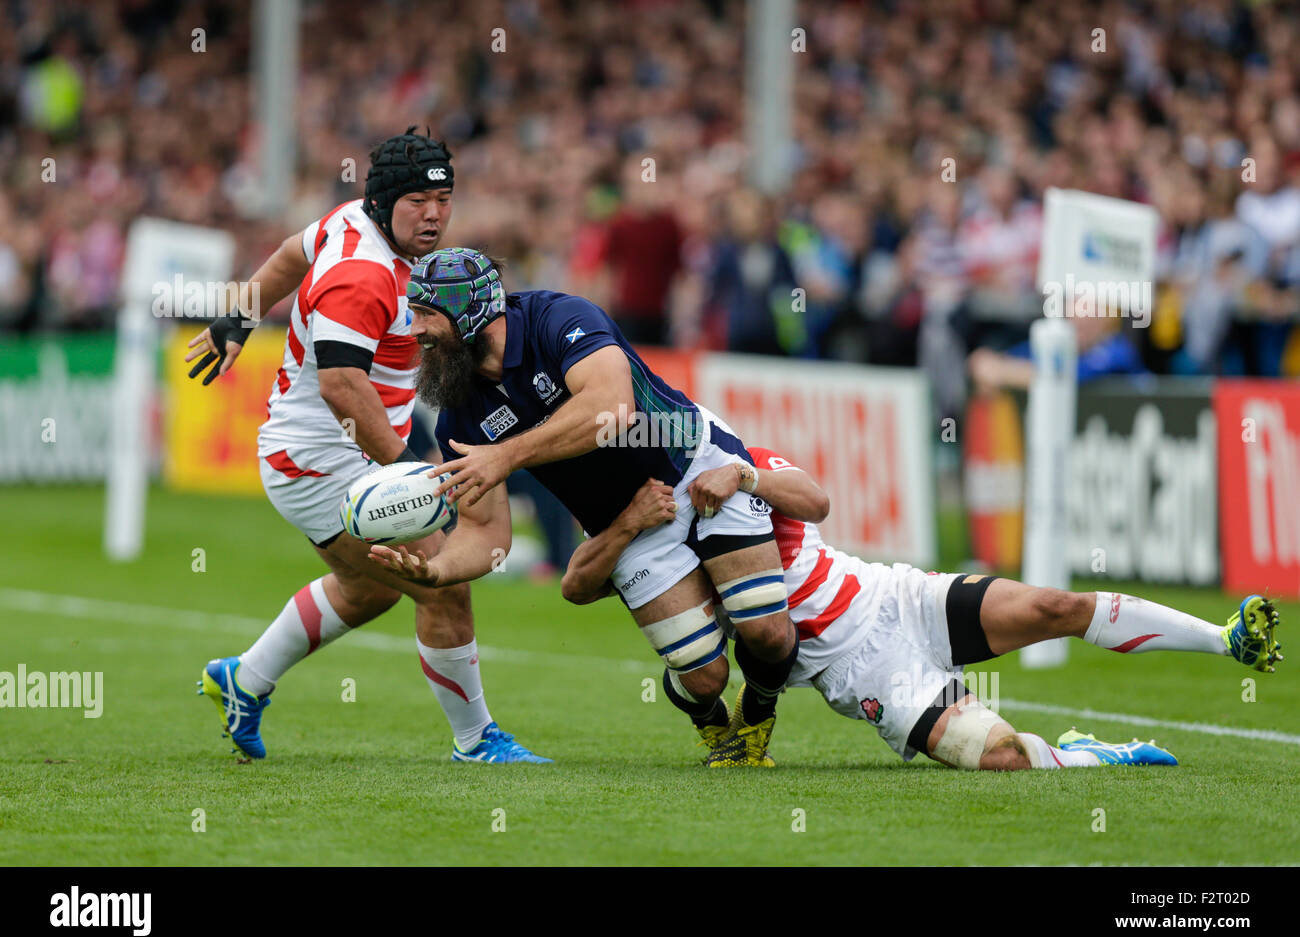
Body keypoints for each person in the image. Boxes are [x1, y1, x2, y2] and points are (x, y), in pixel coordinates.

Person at [559, 449, 1283, 770]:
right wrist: (626, 525)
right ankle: (1094, 753)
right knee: (1001, 758)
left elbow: (817, 501)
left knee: (1054, 603)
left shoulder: (729, 458)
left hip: (893, 596)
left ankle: (1225, 640)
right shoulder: (642, 518)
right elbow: (577, 584)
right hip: (860, 668)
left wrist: (744, 472)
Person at [184, 129, 547, 764]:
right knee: (438, 580)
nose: (433, 215)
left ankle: (243, 679)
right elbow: (343, 388)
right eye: (416, 201)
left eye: (443, 198)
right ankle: (476, 741)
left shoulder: (351, 223)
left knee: (373, 587)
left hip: (349, 450)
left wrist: (239, 316)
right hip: (317, 459)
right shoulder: (362, 274)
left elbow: (287, 258)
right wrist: (412, 475)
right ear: (383, 205)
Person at [369, 247, 799, 767]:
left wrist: (506, 455)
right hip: (627, 524)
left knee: (768, 634)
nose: (414, 330)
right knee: (704, 676)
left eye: (426, 314)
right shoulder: (459, 409)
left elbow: (612, 408)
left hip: (695, 463)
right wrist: (435, 570)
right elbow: (488, 534)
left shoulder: (560, 318)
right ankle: (712, 718)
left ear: (471, 313)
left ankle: (753, 724)